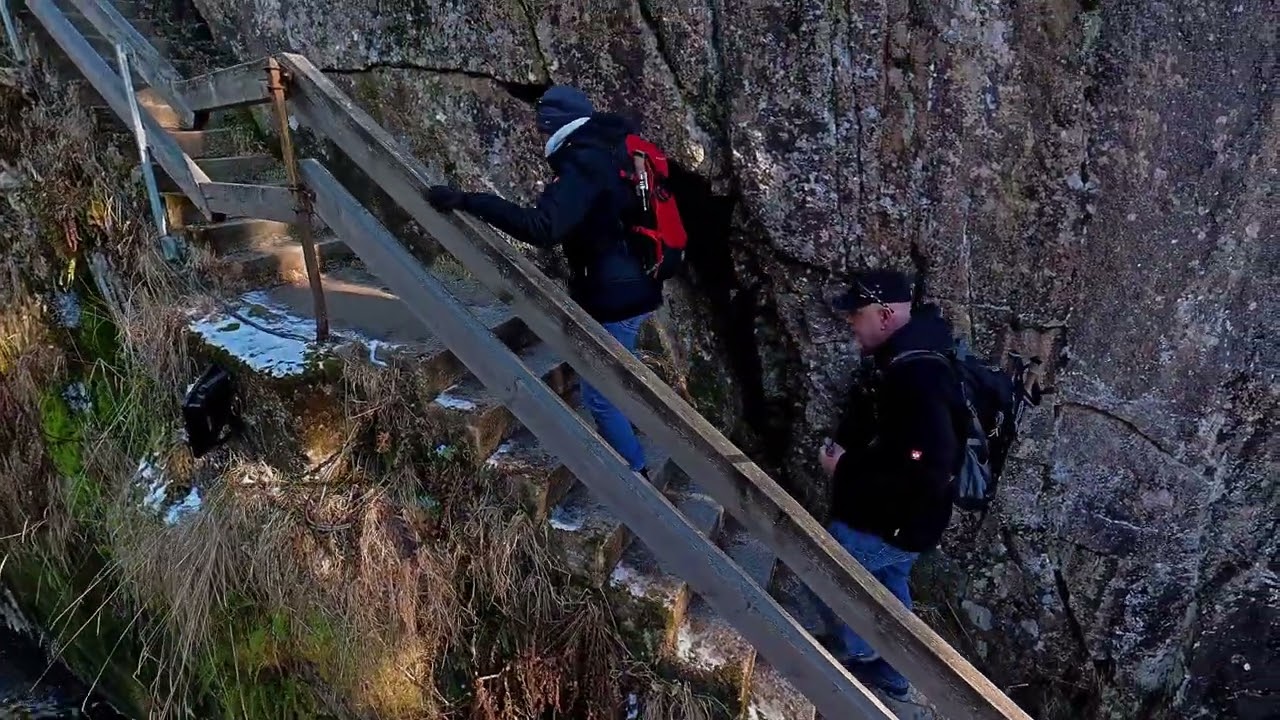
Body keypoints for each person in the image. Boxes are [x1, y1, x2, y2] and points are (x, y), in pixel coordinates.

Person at [425, 85, 662, 477]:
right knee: (621, 379)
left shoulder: (584, 163)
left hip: (618, 296)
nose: (539, 136)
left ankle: (635, 477)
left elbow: (542, 226)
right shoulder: (609, 151)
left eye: (541, 128)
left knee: (601, 396)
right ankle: (634, 442)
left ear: (555, 126)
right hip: (636, 286)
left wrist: (470, 201)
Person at [817, 268, 962, 701]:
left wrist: (845, 469)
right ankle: (895, 674)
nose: (850, 324)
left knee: (823, 570)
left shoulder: (914, 375)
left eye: (855, 314)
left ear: (882, 316)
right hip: (916, 521)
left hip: (892, 521)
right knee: (890, 588)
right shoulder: (920, 355)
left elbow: (927, 466)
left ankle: (857, 657)